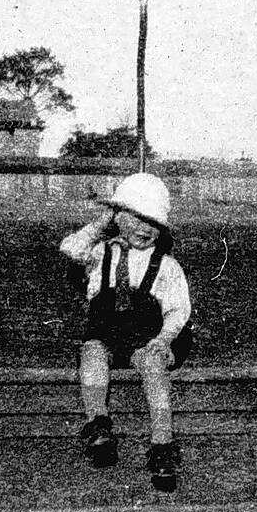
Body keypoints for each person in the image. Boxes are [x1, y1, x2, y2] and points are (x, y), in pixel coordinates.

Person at [59, 172, 192, 491]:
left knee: (152, 365)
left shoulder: (166, 265)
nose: (145, 229)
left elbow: (178, 309)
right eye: (136, 219)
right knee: (91, 351)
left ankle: (162, 444)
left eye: (153, 224)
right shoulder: (103, 253)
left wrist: (162, 340)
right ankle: (98, 424)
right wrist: (102, 222)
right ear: (119, 218)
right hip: (106, 335)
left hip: (146, 338)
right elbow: (70, 248)